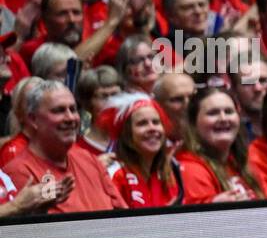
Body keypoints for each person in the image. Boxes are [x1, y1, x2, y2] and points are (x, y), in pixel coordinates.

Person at [4, 79, 125, 213]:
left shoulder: (90, 160)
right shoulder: (18, 172)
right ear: (33, 119)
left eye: (73, 109)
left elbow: (124, 216)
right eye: (58, 111)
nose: (70, 118)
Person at [176, 85, 262, 203]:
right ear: (193, 123)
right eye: (213, 113)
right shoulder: (190, 168)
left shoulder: (242, 163)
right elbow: (198, 220)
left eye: (229, 111)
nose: (223, 118)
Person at [101, 92, 182, 207]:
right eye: (142, 123)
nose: (152, 128)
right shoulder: (115, 174)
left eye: (156, 122)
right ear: (127, 134)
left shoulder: (169, 174)